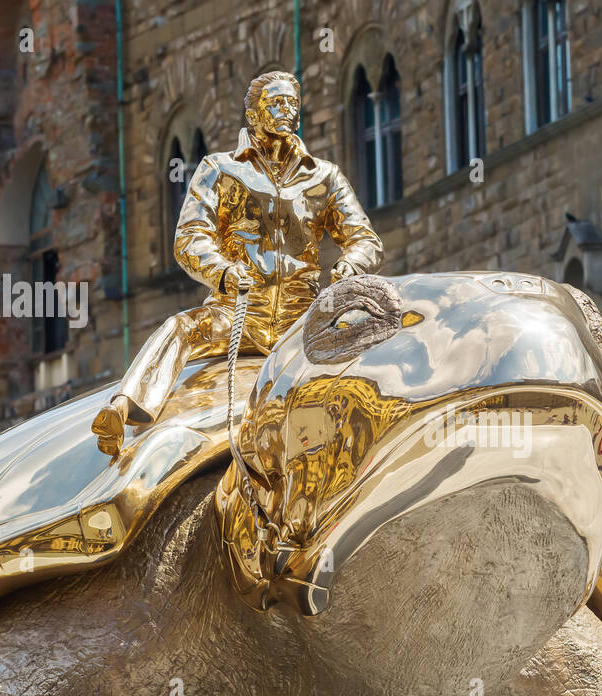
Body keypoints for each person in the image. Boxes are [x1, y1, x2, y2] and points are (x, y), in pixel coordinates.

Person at [91, 70, 384, 454]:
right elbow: (190, 236)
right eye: (275, 103)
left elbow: (365, 237)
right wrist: (224, 273)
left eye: (292, 103)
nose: (286, 110)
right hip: (240, 313)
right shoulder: (220, 170)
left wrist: (352, 265)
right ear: (254, 114)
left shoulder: (324, 176)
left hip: (304, 318)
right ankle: (124, 408)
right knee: (182, 328)